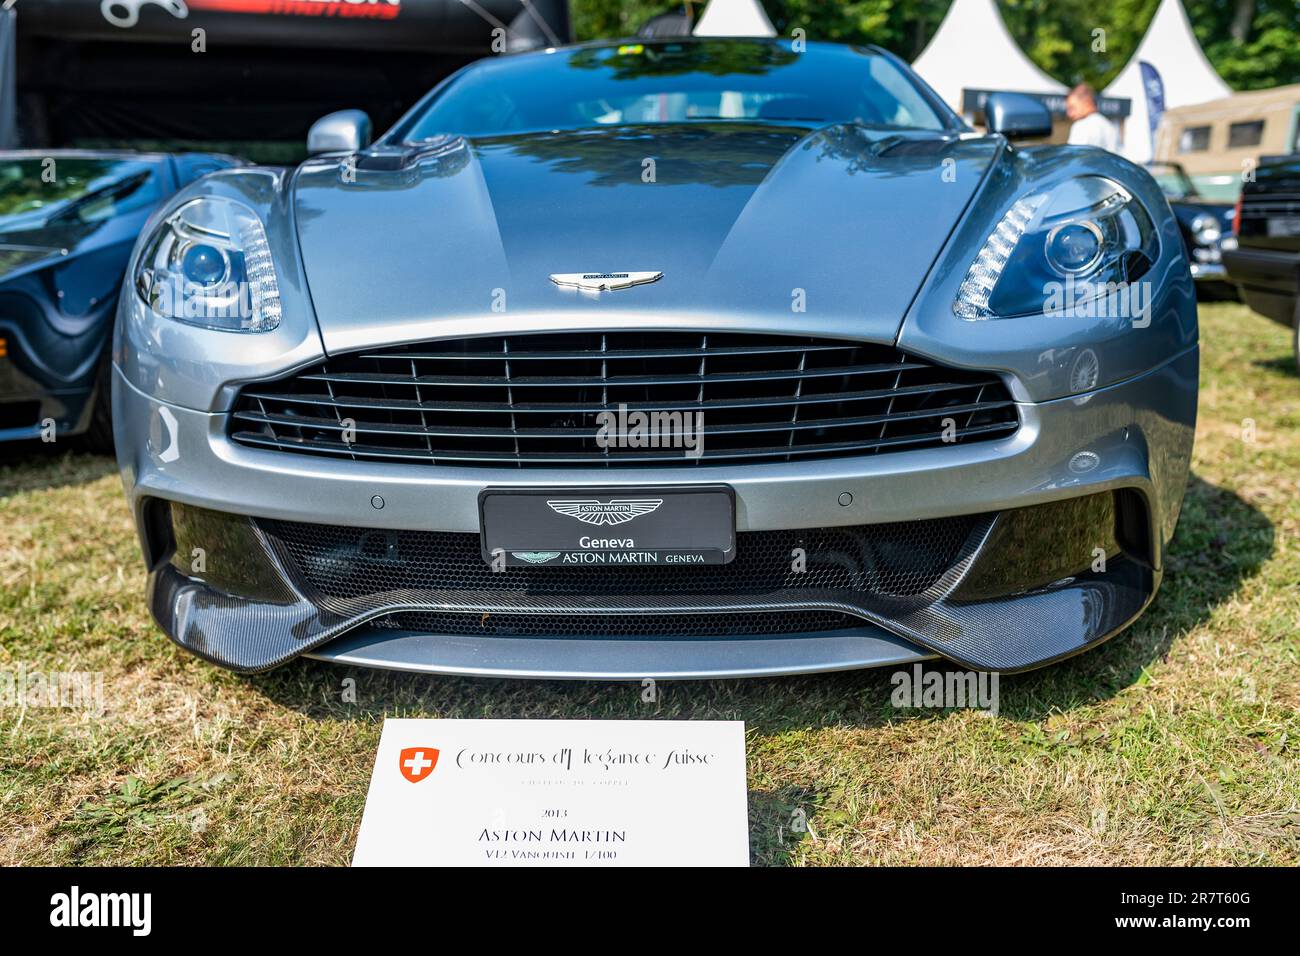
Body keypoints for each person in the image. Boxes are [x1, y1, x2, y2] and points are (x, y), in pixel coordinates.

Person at [1066, 83, 1121, 152]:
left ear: (1087, 103)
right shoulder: (1109, 126)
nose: (1069, 114)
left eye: (1072, 108)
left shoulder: (1081, 126)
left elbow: (1074, 157)